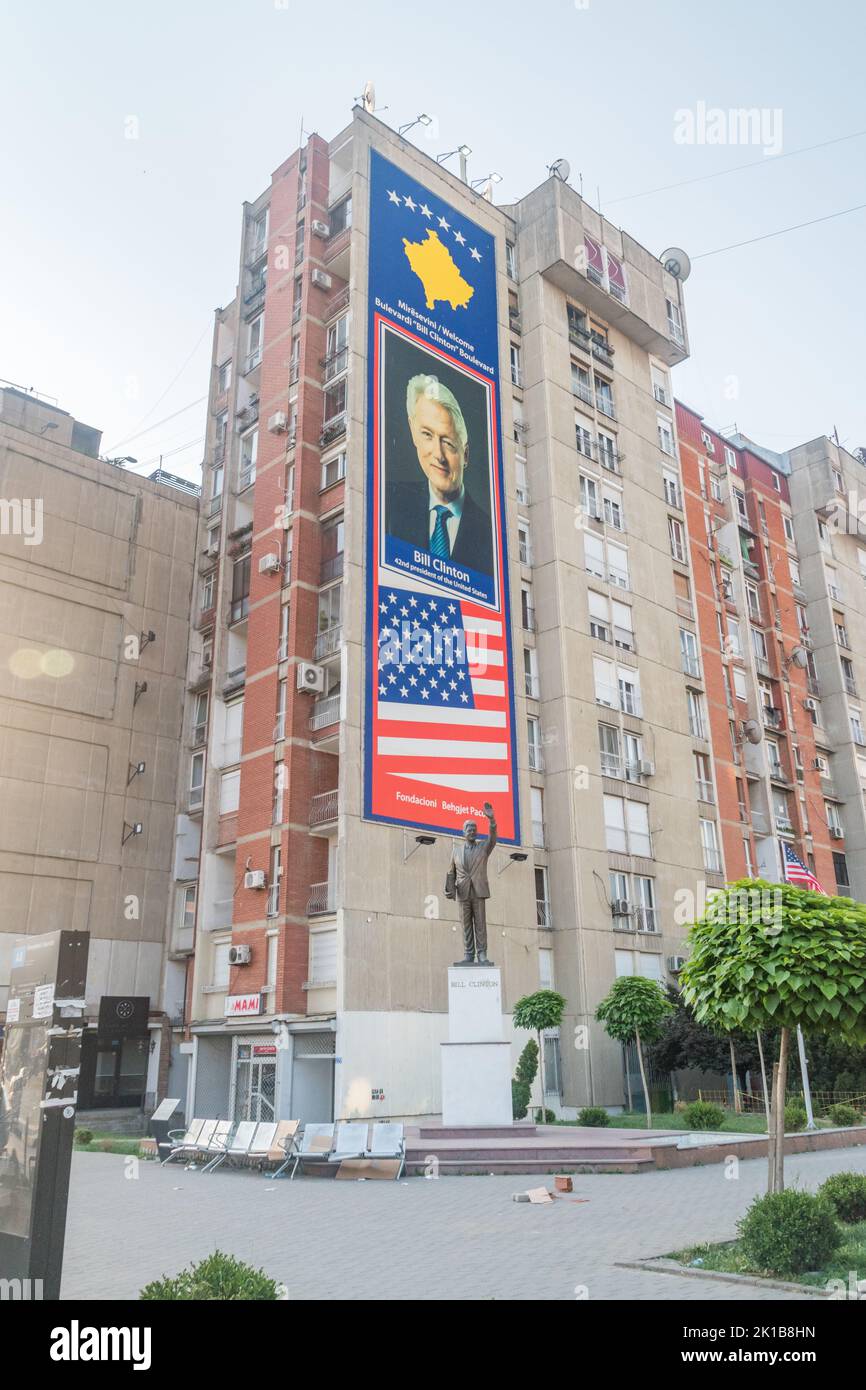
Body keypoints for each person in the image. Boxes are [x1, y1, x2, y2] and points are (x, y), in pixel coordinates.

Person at [386, 373, 494, 576]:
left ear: (466, 454)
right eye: (427, 434)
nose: (438, 455)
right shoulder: (387, 501)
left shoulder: (491, 534)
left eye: (448, 443)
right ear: (412, 431)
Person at [444, 802, 497, 965]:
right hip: (463, 892)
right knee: (466, 925)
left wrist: (492, 821)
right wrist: (449, 889)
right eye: (469, 829)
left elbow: (493, 838)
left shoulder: (483, 847)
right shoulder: (456, 851)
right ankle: (469, 954)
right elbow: (451, 872)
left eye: (474, 829)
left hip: (479, 891)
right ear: (463, 832)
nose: (472, 831)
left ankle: (482, 954)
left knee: (480, 924)